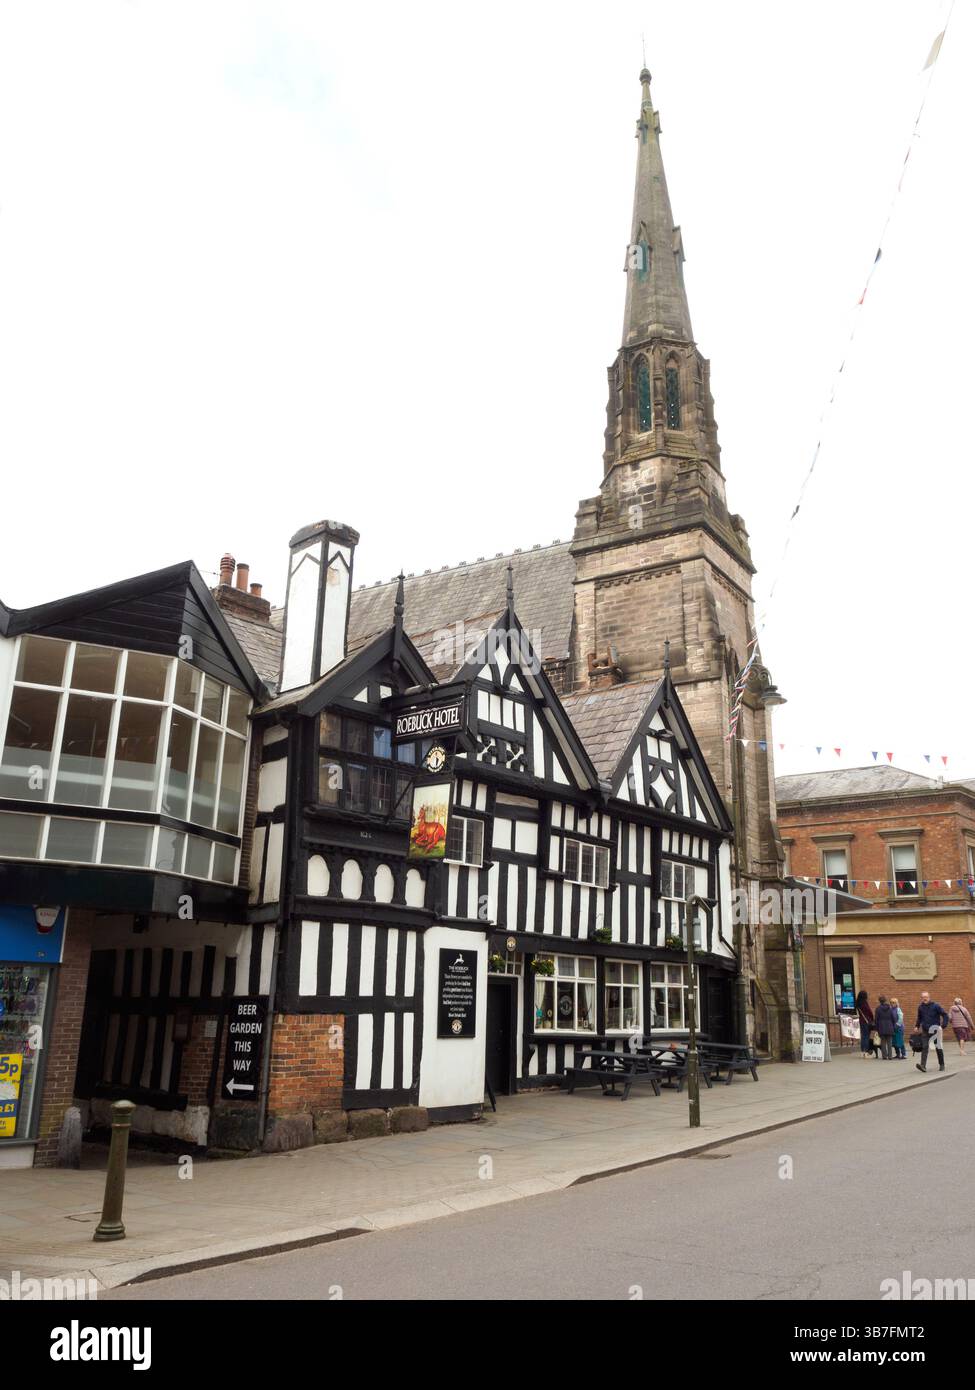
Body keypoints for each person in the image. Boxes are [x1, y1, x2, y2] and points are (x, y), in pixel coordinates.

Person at [915, 991, 950, 1073]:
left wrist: (943, 1025)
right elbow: (919, 1018)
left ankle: (942, 1064)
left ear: (929, 997)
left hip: (935, 1030)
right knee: (925, 1047)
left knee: (938, 1047)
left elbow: (945, 1015)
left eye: (926, 997)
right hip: (925, 1030)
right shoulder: (920, 1007)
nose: (924, 998)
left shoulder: (936, 1006)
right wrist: (917, 1026)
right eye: (923, 997)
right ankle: (923, 1066)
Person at [855, 990, 877, 1058]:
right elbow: (869, 1012)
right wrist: (872, 1019)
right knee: (867, 1036)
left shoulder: (858, 1003)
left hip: (862, 1021)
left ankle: (862, 1052)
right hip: (866, 1021)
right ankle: (866, 1052)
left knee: (863, 1036)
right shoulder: (864, 1003)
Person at [874, 995, 895, 1060]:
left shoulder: (877, 1009)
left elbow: (876, 1020)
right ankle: (890, 1056)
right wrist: (892, 1025)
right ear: (885, 1000)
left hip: (881, 1026)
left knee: (883, 1042)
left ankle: (884, 1056)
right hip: (889, 1026)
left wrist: (877, 1028)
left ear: (879, 1001)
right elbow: (893, 1018)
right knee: (889, 1042)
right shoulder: (890, 1008)